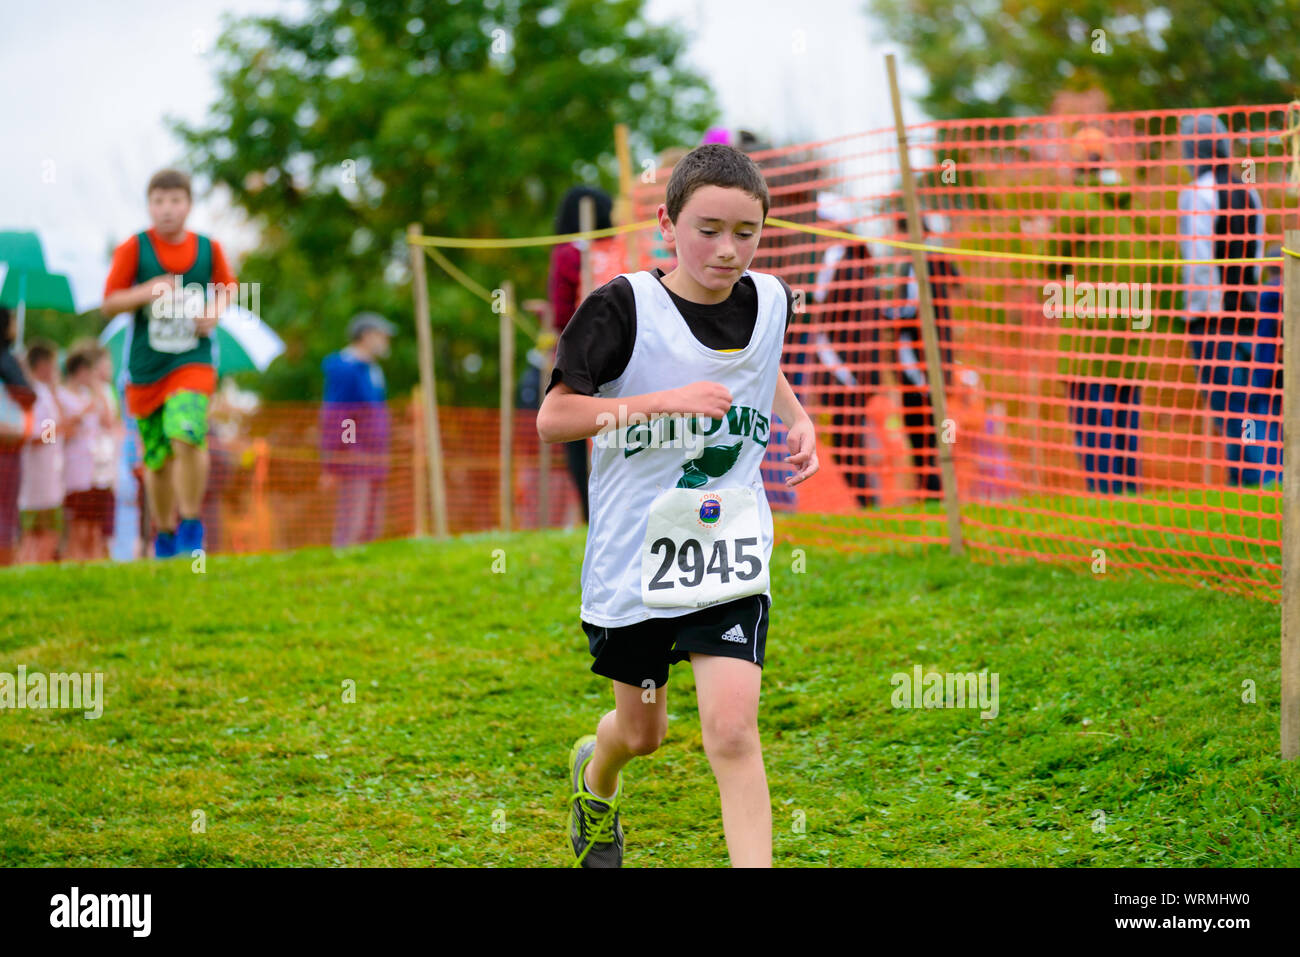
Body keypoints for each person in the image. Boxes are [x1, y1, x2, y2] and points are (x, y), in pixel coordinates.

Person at [538, 143, 820, 868]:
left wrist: (795, 416)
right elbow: (556, 417)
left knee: (732, 730)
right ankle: (594, 779)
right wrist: (662, 403)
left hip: (727, 543)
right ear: (667, 223)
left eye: (746, 232)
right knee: (642, 733)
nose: (727, 250)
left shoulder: (771, 300)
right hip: (635, 560)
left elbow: (761, 363)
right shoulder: (622, 306)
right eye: (708, 229)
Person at [101, 168, 239, 557]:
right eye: (159, 201)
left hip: (192, 360)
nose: (167, 209)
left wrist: (215, 309)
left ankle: (192, 523)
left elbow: (229, 286)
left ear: (189, 205)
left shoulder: (208, 249)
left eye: (175, 200)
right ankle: (164, 535)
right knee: (157, 460)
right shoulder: (134, 248)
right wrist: (146, 291)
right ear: (150, 205)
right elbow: (109, 301)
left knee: (187, 431)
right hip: (146, 368)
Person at [1177, 114, 1274, 487]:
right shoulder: (1249, 192)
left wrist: (1200, 311)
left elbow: (1198, 260)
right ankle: (1253, 481)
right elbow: (1257, 253)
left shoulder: (1198, 193)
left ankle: (1253, 479)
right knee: (1250, 403)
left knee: (1231, 407)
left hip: (1215, 321)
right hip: (1249, 316)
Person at [1053, 128, 1152, 495]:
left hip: (1087, 328)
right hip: (1129, 328)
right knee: (1126, 414)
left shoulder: (1075, 203)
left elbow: (1050, 260)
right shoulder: (1132, 203)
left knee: (1092, 416)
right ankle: (1128, 494)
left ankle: (1104, 495)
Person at [547, 185, 615, 524]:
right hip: (625, 352)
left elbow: (561, 313)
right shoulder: (627, 246)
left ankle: (592, 514)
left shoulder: (567, 254)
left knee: (576, 428)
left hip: (580, 357)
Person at [884, 213, 959, 496]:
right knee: (926, 427)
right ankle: (931, 489)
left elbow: (910, 309)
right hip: (929, 360)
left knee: (921, 426)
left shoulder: (919, 263)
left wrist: (885, 316)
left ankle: (934, 489)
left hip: (919, 361)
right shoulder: (928, 261)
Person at [320, 312, 395, 547]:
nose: (386, 342)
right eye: (382, 336)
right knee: (354, 519)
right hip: (356, 456)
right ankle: (344, 561)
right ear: (365, 336)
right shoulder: (346, 368)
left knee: (373, 520)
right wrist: (348, 448)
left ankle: (365, 566)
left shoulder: (372, 369)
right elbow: (339, 414)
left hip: (375, 454)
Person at [59, 343, 114, 562]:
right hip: (75, 471)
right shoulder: (60, 395)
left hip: (98, 472)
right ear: (80, 370)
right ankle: (76, 562)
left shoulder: (92, 395)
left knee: (95, 526)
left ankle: (93, 563)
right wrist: (81, 414)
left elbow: (109, 422)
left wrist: (98, 391)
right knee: (78, 526)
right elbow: (52, 433)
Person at [17, 339, 65, 563]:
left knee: (46, 533)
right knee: (38, 535)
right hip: (36, 481)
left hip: (48, 477)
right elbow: (36, 434)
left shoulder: (44, 392)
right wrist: (61, 429)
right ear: (43, 365)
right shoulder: (32, 393)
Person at [0, 305, 37, 566]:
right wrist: (22, 371)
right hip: (6, 447)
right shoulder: (6, 359)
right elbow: (28, 397)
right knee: (5, 512)